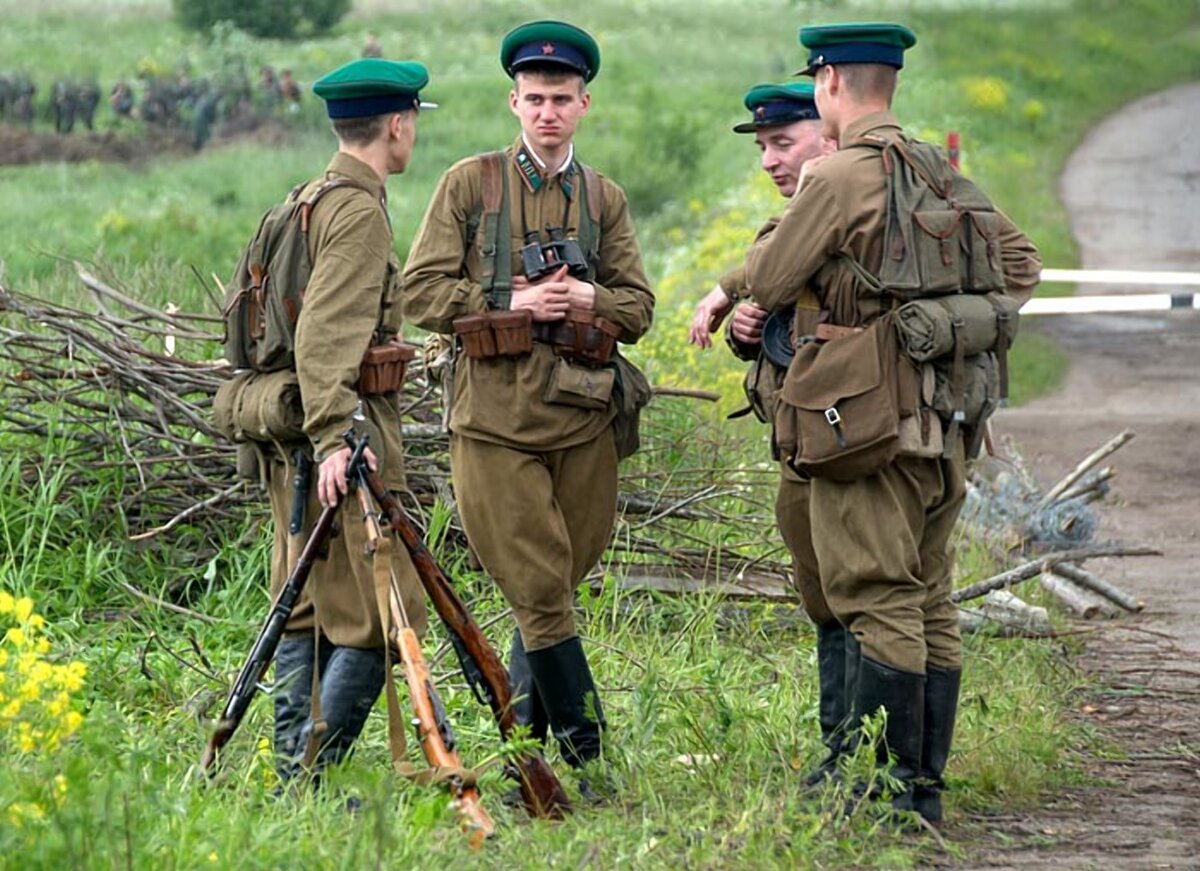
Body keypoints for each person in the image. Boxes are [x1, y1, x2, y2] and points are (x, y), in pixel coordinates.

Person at [744, 23, 1040, 823]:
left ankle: (888, 796)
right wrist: (937, 317)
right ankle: (924, 789)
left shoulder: (838, 175)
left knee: (875, 596)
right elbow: (1022, 265)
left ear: (829, 81)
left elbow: (771, 277)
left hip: (867, 426)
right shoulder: (938, 170)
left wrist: (867, 308)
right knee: (927, 595)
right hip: (947, 421)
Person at [402, 19, 654, 799]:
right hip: (495, 423)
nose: (548, 112)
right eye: (535, 98)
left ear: (584, 105)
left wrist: (586, 296)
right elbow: (418, 293)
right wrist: (511, 298)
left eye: (562, 99)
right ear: (514, 102)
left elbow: (640, 307)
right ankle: (587, 753)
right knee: (541, 592)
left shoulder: (603, 198)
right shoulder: (469, 185)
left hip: (584, 422)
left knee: (551, 591)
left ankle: (523, 766)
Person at [262, 57, 435, 788]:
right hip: (339, 442)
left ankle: (291, 778)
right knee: (383, 613)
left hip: (293, 440)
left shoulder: (305, 198)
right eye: (413, 122)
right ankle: (308, 779)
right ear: (398, 124)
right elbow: (324, 337)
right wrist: (339, 438)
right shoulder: (359, 211)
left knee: (301, 607)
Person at [688, 82, 856, 788]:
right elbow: (784, 324)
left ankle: (872, 759)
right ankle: (838, 751)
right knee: (819, 595)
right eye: (762, 147)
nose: (768, 160)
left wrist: (732, 290)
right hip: (798, 447)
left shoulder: (857, 209)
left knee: (861, 595)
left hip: (856, 445)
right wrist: (753, 331)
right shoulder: (788, 223)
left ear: (829, 134)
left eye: (782, 143)